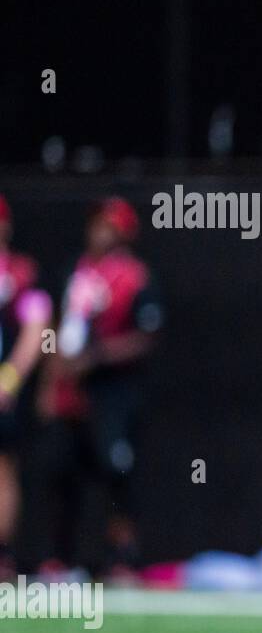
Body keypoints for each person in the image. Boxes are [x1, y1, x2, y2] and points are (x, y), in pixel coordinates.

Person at [37, 197, 163, 580]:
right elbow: (56, 328)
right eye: (96, 223)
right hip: (71, 389)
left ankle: (122, 556)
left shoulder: (135, 276)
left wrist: (97, 357)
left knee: (116, 469)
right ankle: (61, 559)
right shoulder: (76, 272)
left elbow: (147, 334)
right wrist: (49, 380)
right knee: (63, 470)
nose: (99, 231)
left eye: (107, 225)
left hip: (113, 390)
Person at [0, 195, 54, 580]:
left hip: (1, 384)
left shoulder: (19, 272)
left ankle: (1, 556)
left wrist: (9, 380)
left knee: (3, 470)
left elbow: (37, 329)